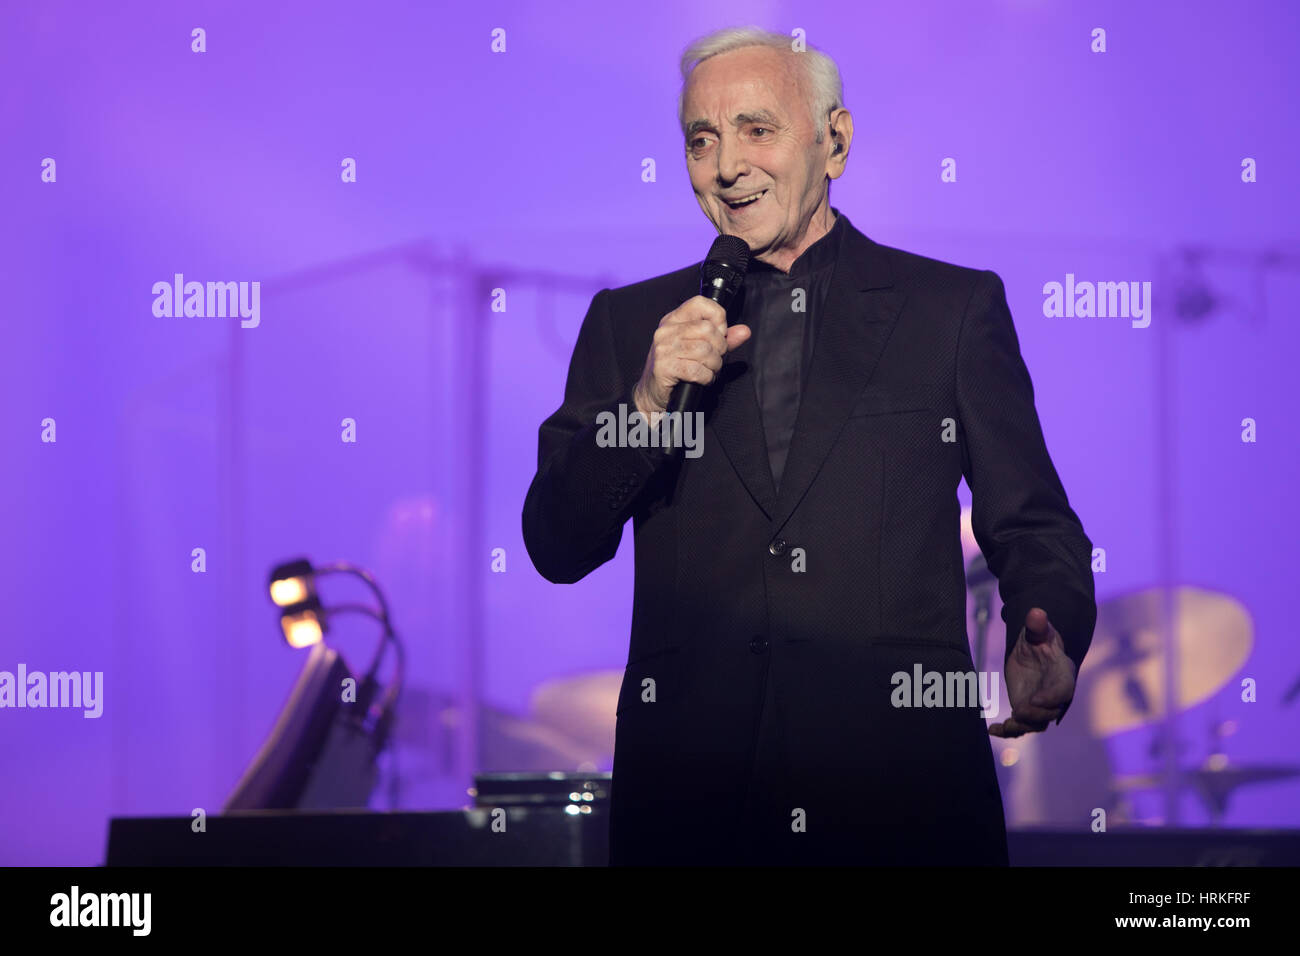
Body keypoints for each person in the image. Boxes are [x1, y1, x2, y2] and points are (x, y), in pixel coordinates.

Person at [522, 26, 1096, 865]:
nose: (727, 166)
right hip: (693, 799)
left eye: (758, 129)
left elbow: (1035, 522)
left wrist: (1048, 630)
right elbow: (557, 543)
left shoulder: (949, 310)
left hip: (900, 793)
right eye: (701, 139)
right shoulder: (629, 324)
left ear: (834, 141)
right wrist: (645, 404)